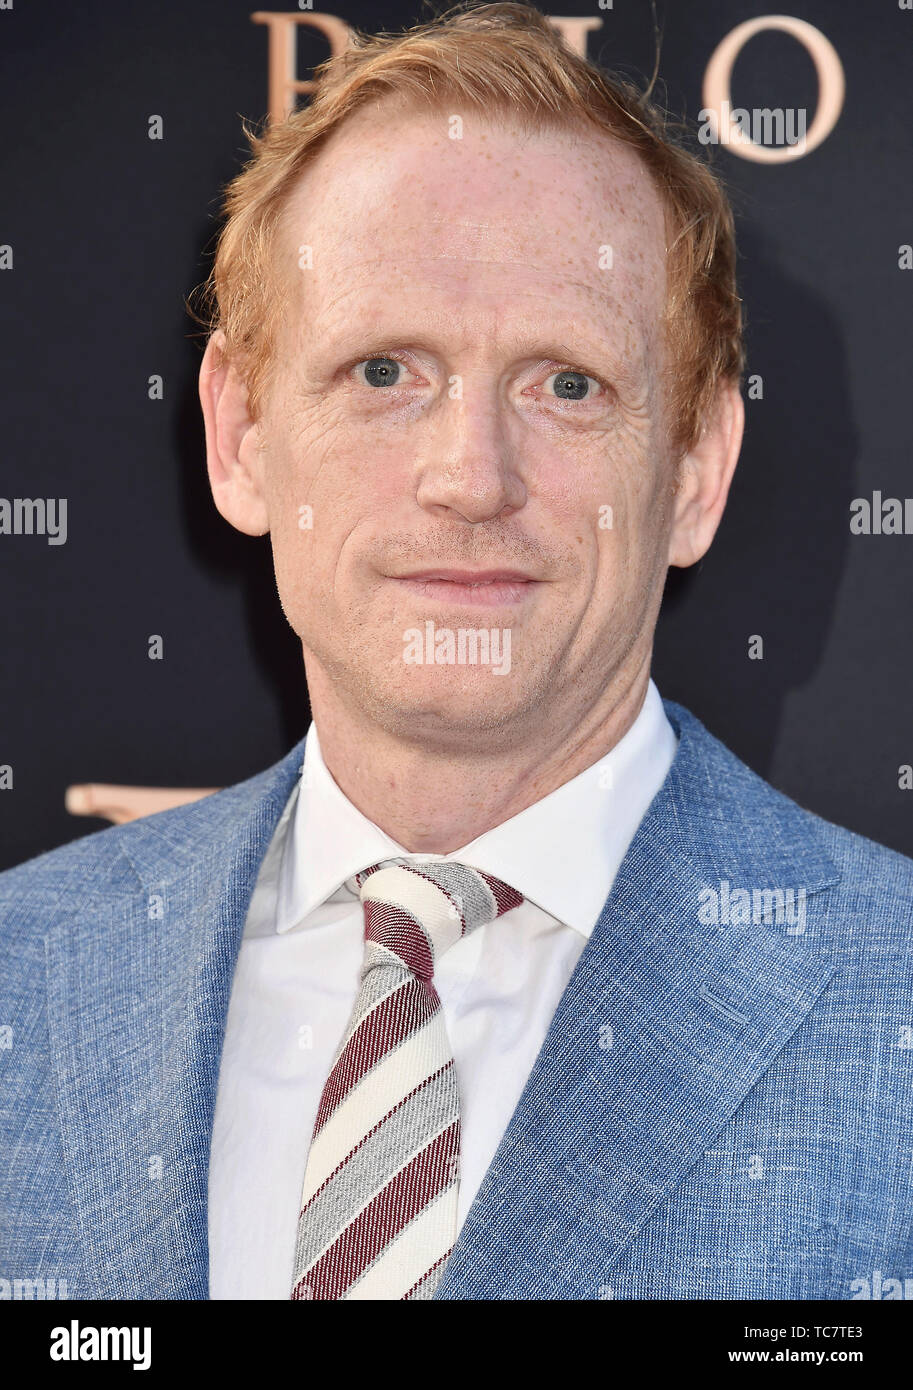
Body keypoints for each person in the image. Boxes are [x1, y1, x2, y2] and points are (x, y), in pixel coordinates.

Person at [1, 2, 910, 1302]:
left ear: (698, 467)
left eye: (567, 384)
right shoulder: (23, 967)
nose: (471, 477)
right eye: (384, 372)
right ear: (240, 434)